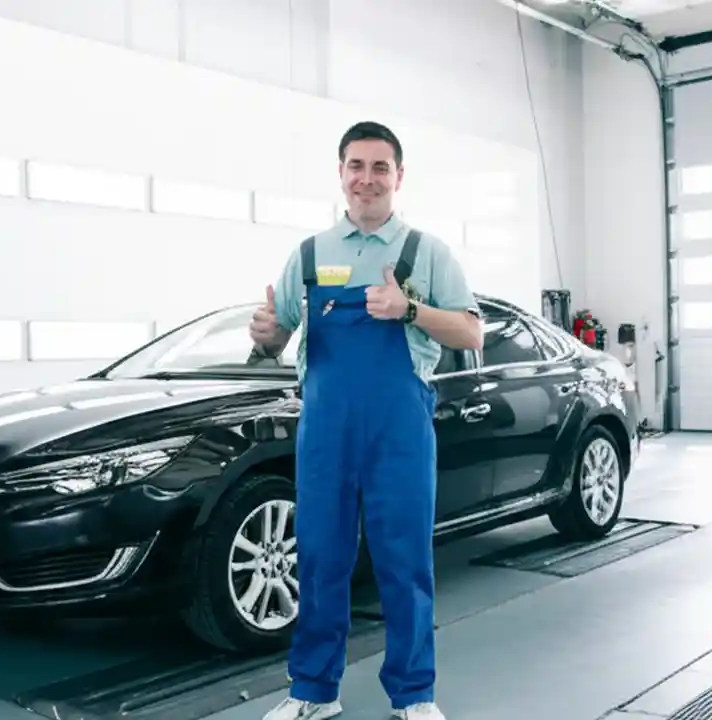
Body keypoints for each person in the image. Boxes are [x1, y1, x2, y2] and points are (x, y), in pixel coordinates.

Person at [249, 120, 482, 720]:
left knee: (404, 561)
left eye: (381, 168)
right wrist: (268, 334)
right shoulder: (308, 254)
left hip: (398, 430)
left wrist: (411, 309)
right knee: (321, 558)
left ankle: (414, 696)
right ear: (341, 172)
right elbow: (275, 342)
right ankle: (312, 692)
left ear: (399, 177)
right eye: (357, 165)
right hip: (325, 431)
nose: (368, 179)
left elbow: (471, 331)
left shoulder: (427, 253)